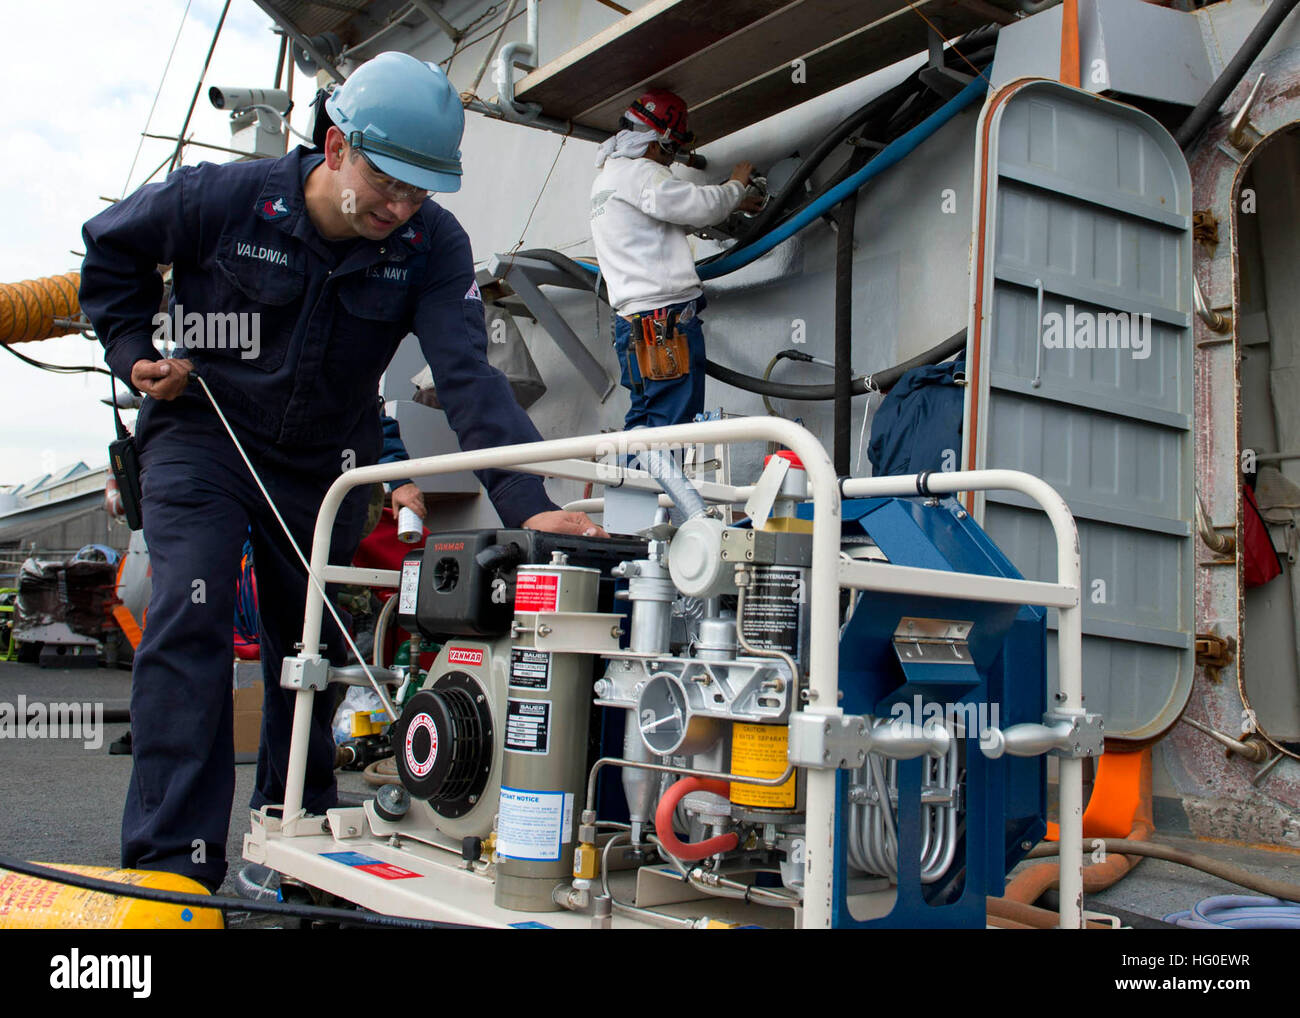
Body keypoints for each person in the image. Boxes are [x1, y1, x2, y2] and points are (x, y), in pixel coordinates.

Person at [79, 52, 601, 893]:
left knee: (310, 643)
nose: (401, 209)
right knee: (190, 616)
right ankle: (174, 865)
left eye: (421, 192)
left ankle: (302, 834)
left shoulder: (431, 246)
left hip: (328, 460)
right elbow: (109, 253)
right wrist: (135, 351)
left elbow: (469, 377)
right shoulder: (223, 198)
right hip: (200, 432)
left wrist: (528, 504)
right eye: (390, 185)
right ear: (334, 149)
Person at [589, 89, 762, 430]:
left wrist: (733, 205)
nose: (670, 160)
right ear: (654, 143)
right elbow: (695, 206)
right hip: (662, 321)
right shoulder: (641, 173)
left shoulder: (608, 179)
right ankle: (668, 486)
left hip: (631, 323)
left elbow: (672, 215)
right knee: (673, 425)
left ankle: (636, 483)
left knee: (644, 420)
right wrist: (736, 186)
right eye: (670, 150)